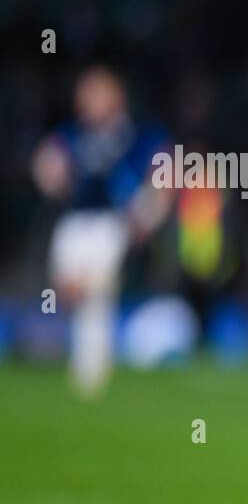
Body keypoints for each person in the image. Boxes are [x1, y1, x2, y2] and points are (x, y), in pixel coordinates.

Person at [31, 66, 171, 396]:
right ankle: (85, 362)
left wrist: (148, 214)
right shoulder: (72, 135)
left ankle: (91, 370)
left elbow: (164, 168)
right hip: (75, 220)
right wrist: (51, 175)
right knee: (70, 288)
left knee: (96, 292)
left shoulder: (135, 135)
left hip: (112, 221)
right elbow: (47, 165)